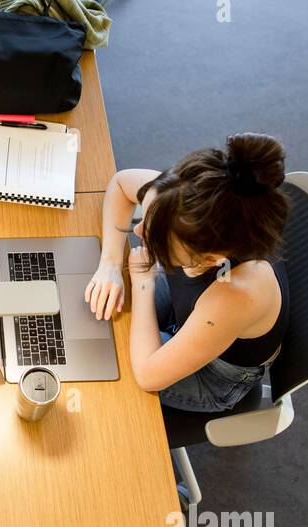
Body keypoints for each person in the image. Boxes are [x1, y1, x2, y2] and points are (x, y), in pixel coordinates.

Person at [84, 133, 291, 413]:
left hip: (215, 374)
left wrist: (144, 284)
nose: (137, 231)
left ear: (209, 259)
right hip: (192, 311)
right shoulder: (185, 202)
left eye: (155, 238)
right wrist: (109, 264)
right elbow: (121, 184)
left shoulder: (236, 295)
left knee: (109, 373)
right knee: (97, 316)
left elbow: (148, 374)